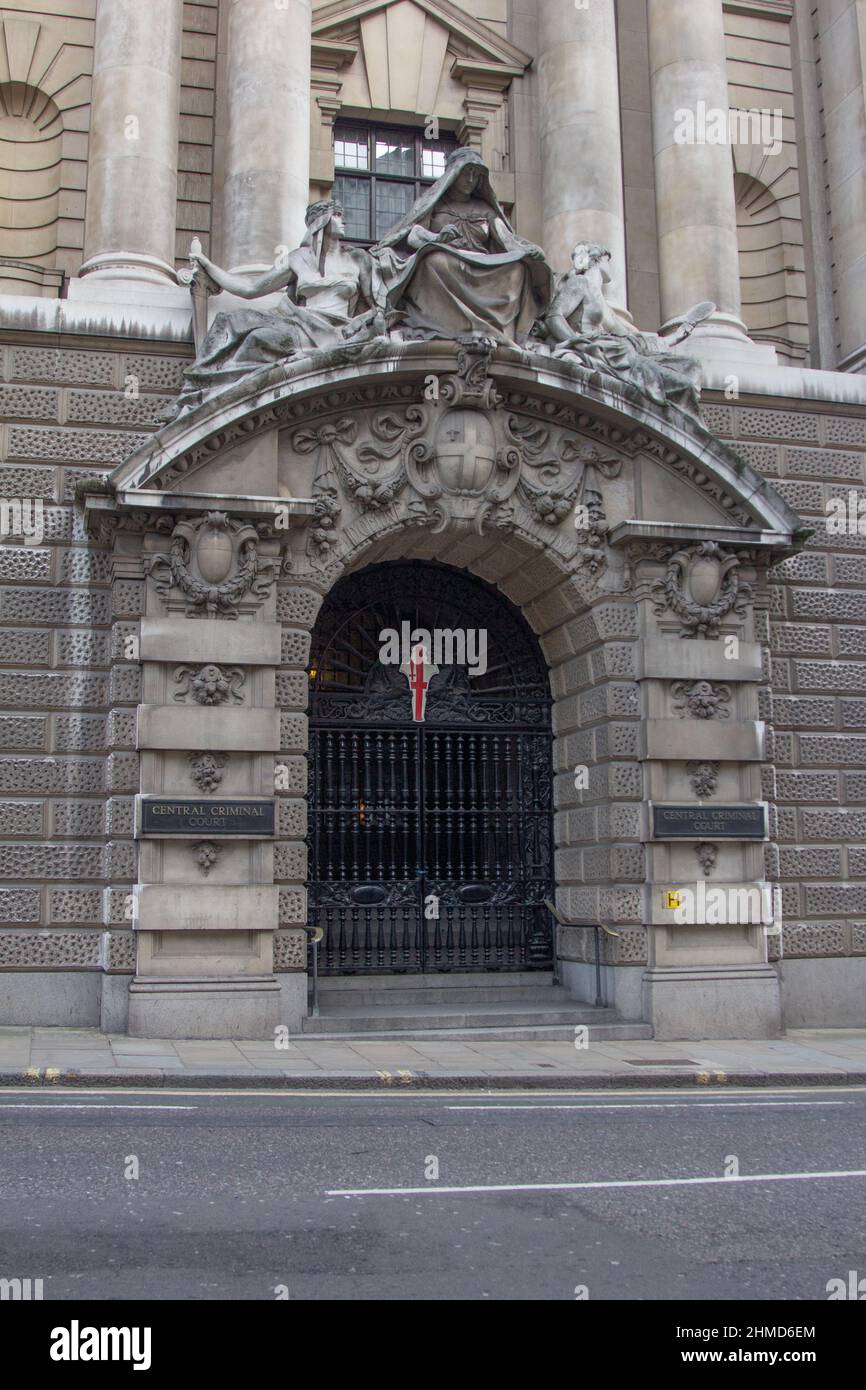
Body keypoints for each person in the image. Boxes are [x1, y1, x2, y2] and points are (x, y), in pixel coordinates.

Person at [169, 200, 384, 415]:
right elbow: (251, 288)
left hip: (334, 332)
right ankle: (199, 390)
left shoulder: (358, 259)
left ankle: (228, 397)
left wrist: (365, 325)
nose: (343, 219)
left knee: (257, 339)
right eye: (336, 214)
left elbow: (377, 306)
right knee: (231, 323)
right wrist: (207, 265)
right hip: (300, 324)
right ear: (321, 221)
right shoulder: (297, 259)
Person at [374, 147, 552, 346]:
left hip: (484, 264)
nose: (470, 180)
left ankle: (491, 330)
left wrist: (531, 250)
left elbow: (507, 240)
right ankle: (454, 325)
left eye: (476, 176)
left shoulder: (485, 210)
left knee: (517, 270)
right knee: (433, 261)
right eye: (466, 173)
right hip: (449, 258)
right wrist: (438, 238)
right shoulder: (436, 205)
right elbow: (414, 237)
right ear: (454, 173)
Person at [541, 242, 714, 414]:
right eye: (607, 260)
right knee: (680, 384)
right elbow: (554, 317)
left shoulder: (604, 304)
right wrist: (578, 342)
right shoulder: (580, 283)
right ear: (598, 260)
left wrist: (676, 336)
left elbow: (631, 336)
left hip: (619, 351)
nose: (609, 265)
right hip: (607, 352)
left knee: (689, 366)